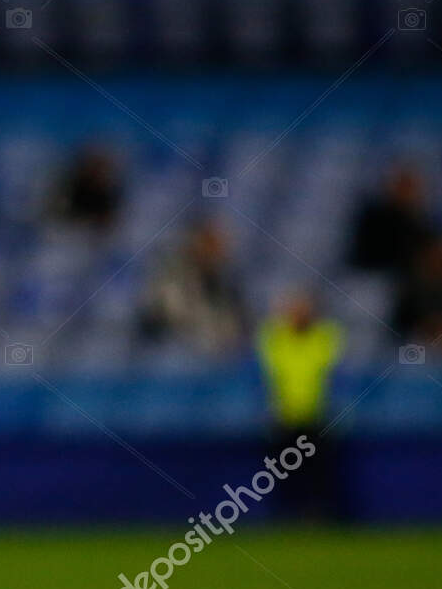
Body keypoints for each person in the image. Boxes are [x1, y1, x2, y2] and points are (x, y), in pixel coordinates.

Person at [256, 288, 344, 520]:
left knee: (320, 474)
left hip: (316, 419)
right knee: (283, 473)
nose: (299, 314)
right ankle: (287, 515)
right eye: (295, 309)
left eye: (304, 309)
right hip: (284, 419)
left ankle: (317, 515)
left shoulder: (323, 338)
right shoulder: (276, 339)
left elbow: (334, 354)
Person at [139, 218, 248, 357]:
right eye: (209, 244)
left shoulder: (228, 284)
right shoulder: (172, 275)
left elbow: (234, 328)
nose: (216, 252)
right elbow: (173, 314)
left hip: (217, 357)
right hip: (180, 353)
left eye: (219, 246)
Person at [348, 164, 436, 275]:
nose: (406, 192)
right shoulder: (373, 218)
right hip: (370, 277)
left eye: (411, 187)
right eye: (402, 185)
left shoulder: (422, 223)